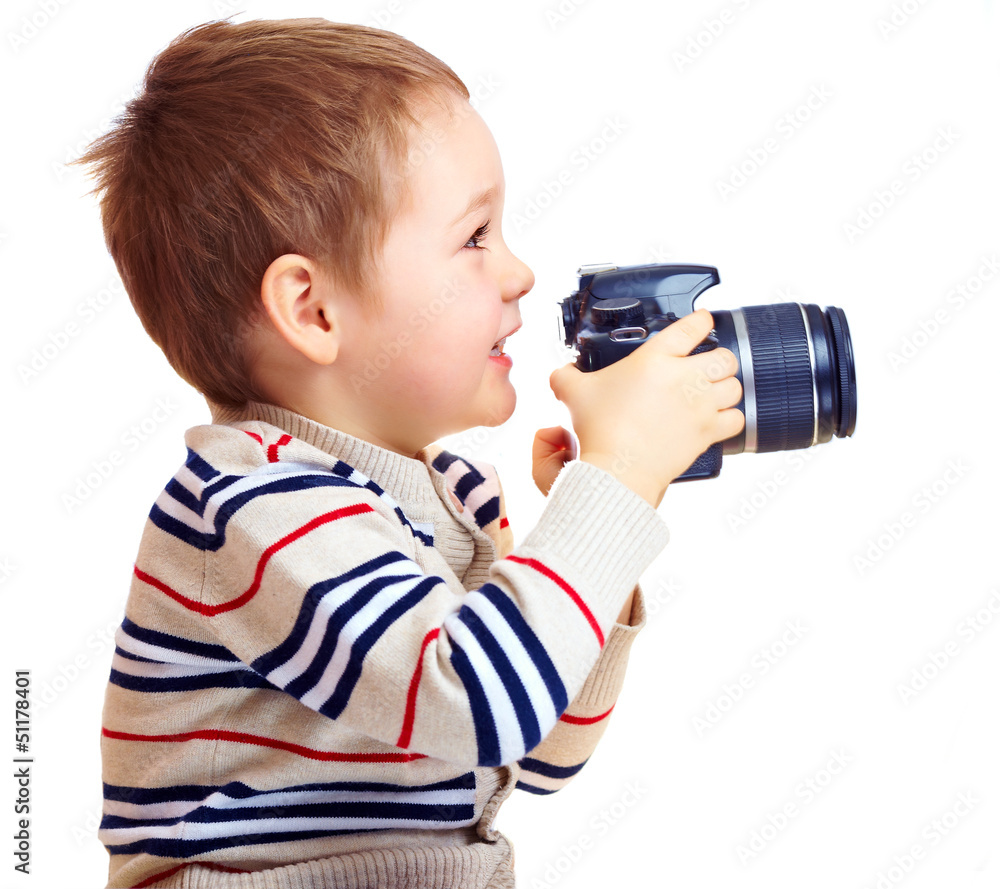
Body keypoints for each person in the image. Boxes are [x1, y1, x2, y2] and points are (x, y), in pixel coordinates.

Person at [74, 17, 743, 889]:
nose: (519, 273)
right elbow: (478, 702)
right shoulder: (253, 501)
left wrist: (593, 530)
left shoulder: (445, 496)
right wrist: (613, 487)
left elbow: (537, 751)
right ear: (314, 311)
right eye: (474, 238)